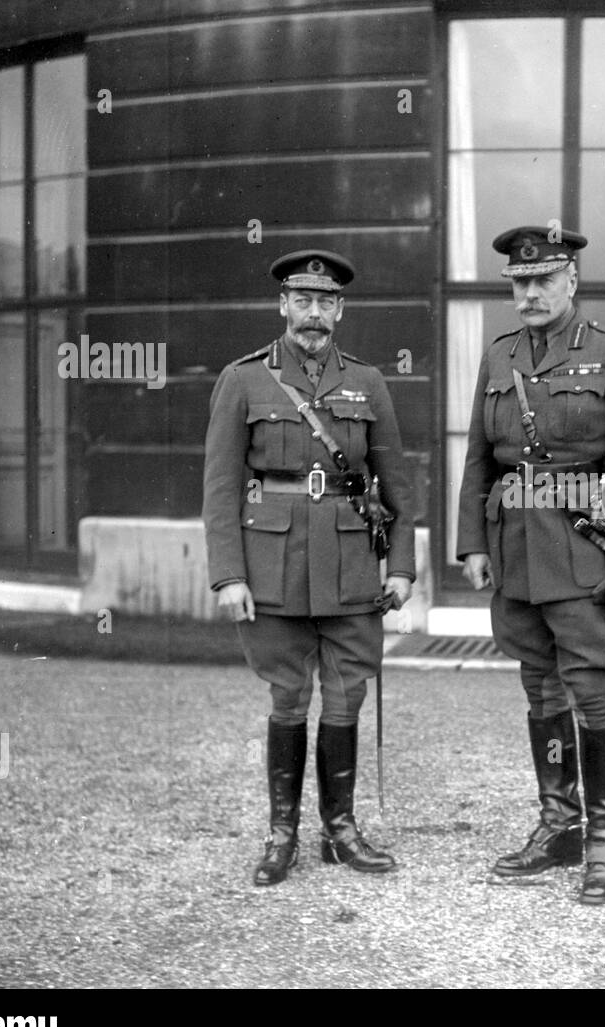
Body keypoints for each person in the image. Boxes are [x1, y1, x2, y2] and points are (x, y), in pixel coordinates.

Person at [456, 225, 605, 904]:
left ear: (571, 281)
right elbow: (477, 460)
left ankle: (603, 841)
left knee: (587, 689)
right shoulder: (498, 358)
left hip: (583, 551)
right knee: (540, 689)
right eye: (518, 283)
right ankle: (559, 823)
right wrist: (472, 544)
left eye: (541, 280)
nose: (528, 293)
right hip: (516, 552)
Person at [203, 249, 414, 886]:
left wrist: (400, 567)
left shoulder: (368, 382)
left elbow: (396, 483)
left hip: (352, 564)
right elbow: (219, 486)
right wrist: (228, 574)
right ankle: (282, 832)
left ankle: (341, 830)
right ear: (283, 306)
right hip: (273, 565)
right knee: (289, 696)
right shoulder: (243, 379)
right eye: (303, 301)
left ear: (340, 310)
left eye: (326, 303)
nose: (313, 314)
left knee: (347, 693)